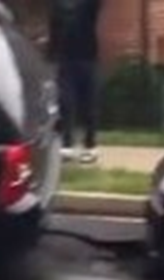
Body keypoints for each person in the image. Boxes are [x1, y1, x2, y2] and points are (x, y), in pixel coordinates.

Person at [47, 0, 102, 164]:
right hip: (66, 60)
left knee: (89, 105)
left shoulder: (89, 4)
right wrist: (51, 56)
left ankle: (90, 146)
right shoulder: (57, 5)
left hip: (88, 58)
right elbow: (54, 30)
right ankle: (67, 145)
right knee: (66, 103)